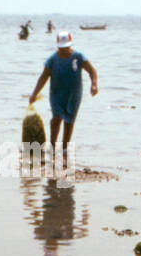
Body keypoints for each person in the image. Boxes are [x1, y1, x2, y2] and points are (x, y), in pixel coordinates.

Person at [28, 31, 98, 167]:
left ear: (70, 45)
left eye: (66, 47)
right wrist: (34, 93)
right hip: (56, 93)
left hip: (74, 93)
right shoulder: (52, 59)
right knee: (56, 119)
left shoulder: (79, 57)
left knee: (69, 120)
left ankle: (65, 149)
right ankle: (53, 148)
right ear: (58, 46)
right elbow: (43, 77)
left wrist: (94, 84)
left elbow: (92, 71)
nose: (64, 50)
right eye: (61, 47)